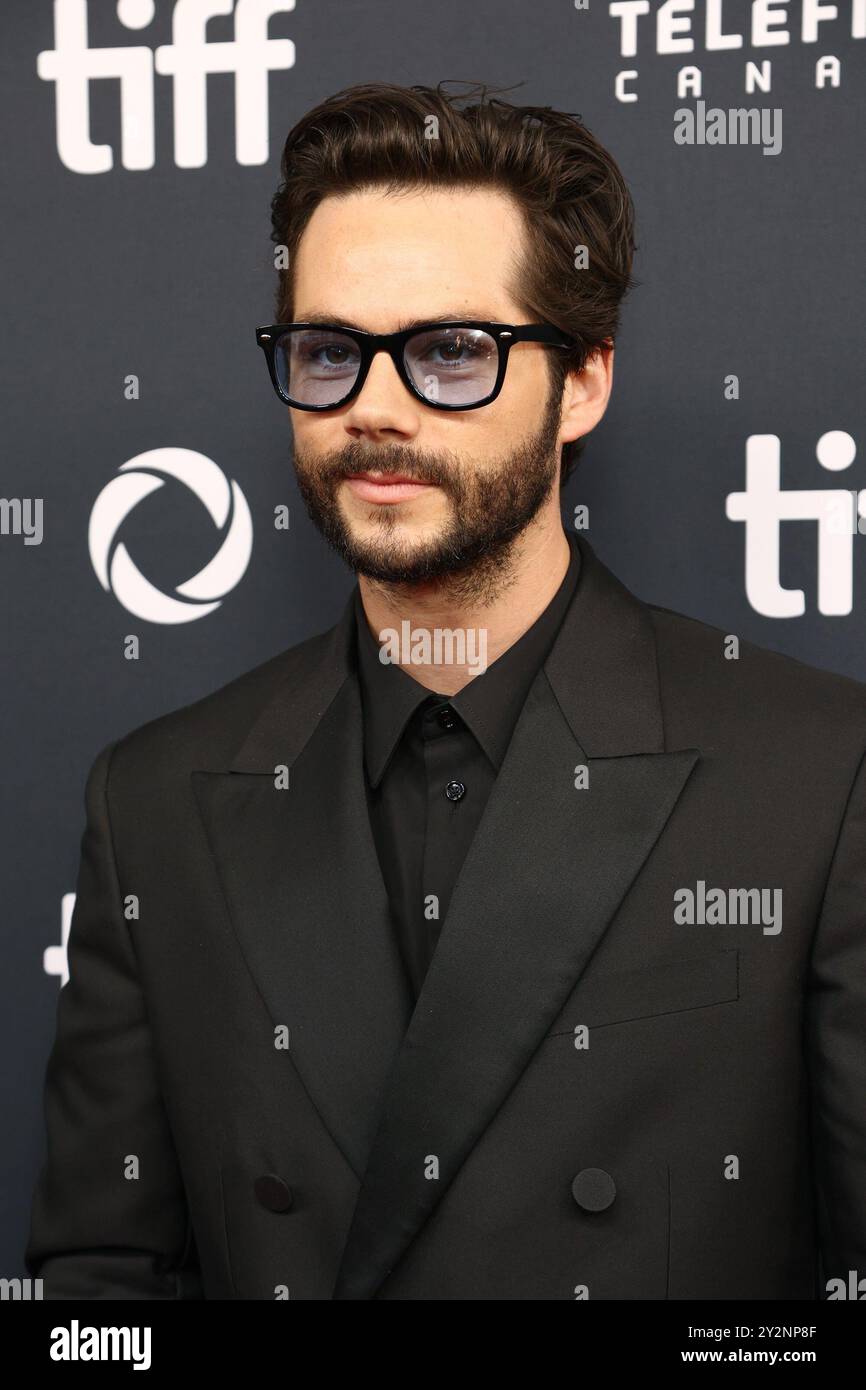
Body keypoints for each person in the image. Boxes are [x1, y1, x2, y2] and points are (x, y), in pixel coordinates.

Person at [26, 81, 866, 1300]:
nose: (373, 405)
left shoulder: (816, 776)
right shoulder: (151, 804)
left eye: (450, 353)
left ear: (580, 382)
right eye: (327, 351)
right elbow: (100, 1295)